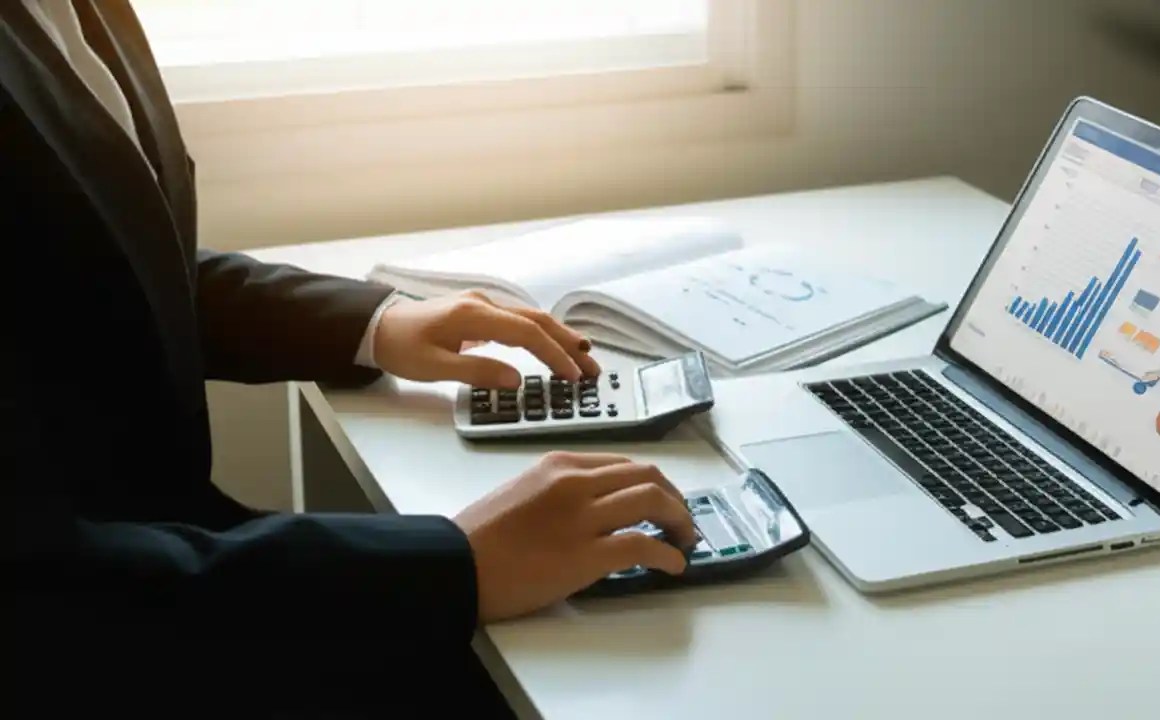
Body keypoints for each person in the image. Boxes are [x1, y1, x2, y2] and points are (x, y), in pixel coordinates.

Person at [1, 2, 696, 715]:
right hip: (118, 640)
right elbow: (36, 591)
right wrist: (455, 563)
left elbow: (93, 264)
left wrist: (372, 324)